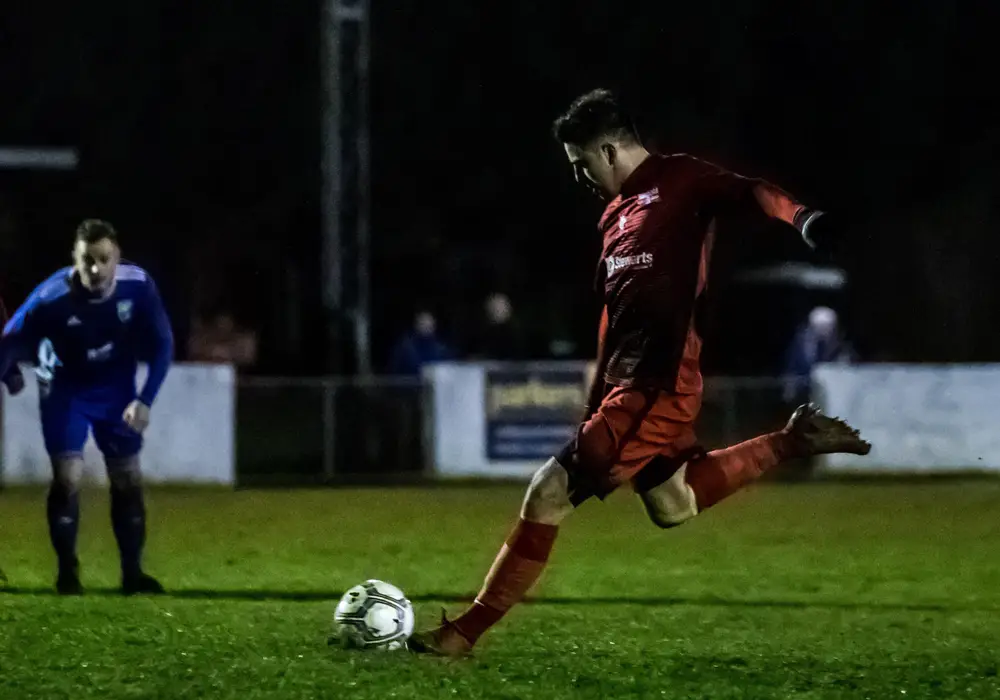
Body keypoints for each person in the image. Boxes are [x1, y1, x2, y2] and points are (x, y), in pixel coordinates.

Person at [408, 89, 871, 656]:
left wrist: (802, 219)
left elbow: (753, 193)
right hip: (628, 386)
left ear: (608, 149)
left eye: (581, 164)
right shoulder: (613, 218)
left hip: (658, 382)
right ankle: (792, 441)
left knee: (547, 492)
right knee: (671, 504)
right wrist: (597, 397)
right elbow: (612, 317)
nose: (580, 178)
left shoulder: (680, 180)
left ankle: (463, 634)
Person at [0, 219, 174, 595]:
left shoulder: (138, 287)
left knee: (127, 478)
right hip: (65, 390)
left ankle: (132, 574)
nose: (95, 269)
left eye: (103, 259)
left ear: (117, 258)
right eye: (87, 261)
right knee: (67, 478)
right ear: (74, 260)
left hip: (116, 391)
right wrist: (9, 371)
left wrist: (145, 400)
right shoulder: (50, 298)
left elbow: (164, 344)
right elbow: (10, 337)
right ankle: (68, 572)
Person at [783, 306, 855, 405]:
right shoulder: (802, 343)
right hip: (803, 390)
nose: (825, 330)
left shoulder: (840, 345)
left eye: (828, 327)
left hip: (830, 393)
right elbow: (793, 368)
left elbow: (845, 367)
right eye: (821, 327)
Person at [387, 310, 453, 377]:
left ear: (434, 325)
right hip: (409, 385)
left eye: (429, 323)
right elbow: (394, 371)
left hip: (433, 385)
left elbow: (448, 371)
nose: (426, 326)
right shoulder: (405, 347)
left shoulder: (441, 349)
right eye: (423, 323)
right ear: (416, 325)